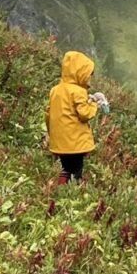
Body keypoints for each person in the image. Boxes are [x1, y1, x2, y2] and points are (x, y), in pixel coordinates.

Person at [45, 50, 107, 181]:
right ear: (80, 73)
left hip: (59, 140)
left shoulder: (55, 90)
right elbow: (84, 114)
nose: (89, 78)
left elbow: (49, 112)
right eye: (88, 75)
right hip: (74, 142)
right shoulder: (78, 92)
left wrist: (50, 133)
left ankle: (62, 183)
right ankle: (72, 189)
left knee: (66, 166)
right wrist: (95, 104)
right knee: (76, 168)